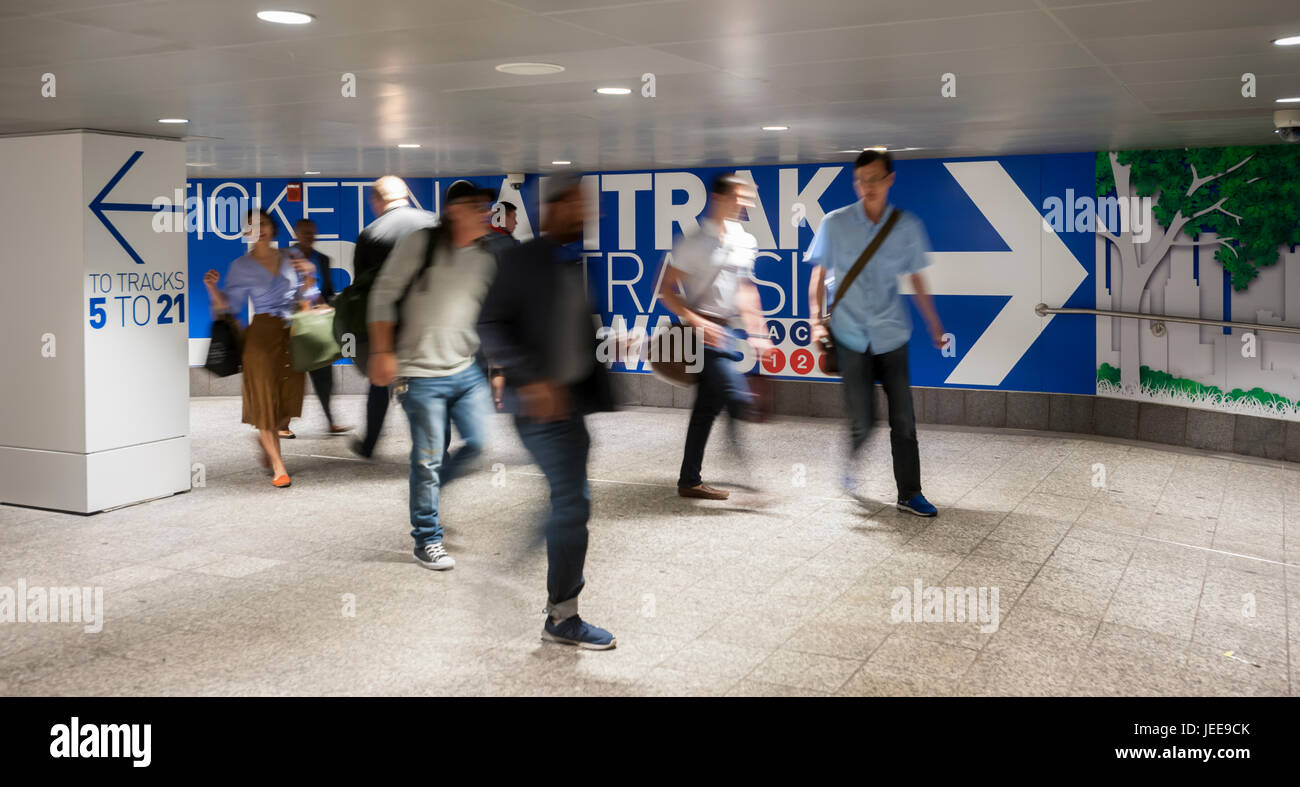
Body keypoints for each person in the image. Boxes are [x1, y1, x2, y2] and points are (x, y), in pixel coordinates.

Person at [478, 174, 617, 650]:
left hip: (572, 404)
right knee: (572, 501)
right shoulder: (522, 260)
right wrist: (529, 378)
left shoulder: (576, 261)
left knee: (569, 501)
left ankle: (543, 586)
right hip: (538, 406)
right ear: (548, 210)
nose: (583, 213)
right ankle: (561, 616)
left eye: (586, 206)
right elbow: (491, 323)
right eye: (573, 205)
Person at [367, 180, 498, 571]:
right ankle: (426, 538)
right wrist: (382, 351)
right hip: (418, 373)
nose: (487, 214)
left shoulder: (485, 258)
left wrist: (500, 368)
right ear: (456, 210)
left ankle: (429, 492)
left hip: (465, 368)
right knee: (427, 459)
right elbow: (382, 295)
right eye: (479, 207)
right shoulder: (421, 245)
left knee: (477, 442)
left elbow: (490, 315)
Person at [806, 149, 945, 517]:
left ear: (889, 180)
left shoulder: (905, 225)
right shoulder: (835, 223)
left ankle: (909, 493)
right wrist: (815, 320)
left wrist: (935, 325)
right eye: (860, 180)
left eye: (874, 179)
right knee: (863, 420)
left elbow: (917, 278)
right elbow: (818, 274)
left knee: (904, 419)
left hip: (891, 335)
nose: (866, 187)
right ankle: (850, 461)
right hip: (850, 337)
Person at [660, 173, 773, 500]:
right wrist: (695, 320)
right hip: (700, 334)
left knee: (706, 409)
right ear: (720, 198)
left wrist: (758, 332)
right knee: (736, 398)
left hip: (723, 331)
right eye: (742, 196)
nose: (747, 202)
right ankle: (751, 485)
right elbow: (666, 291)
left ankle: (688, 481)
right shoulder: (693, 242)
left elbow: (745, 289)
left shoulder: (744, 239)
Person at [203, 209, 321, 488]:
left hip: (292, 334)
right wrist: (211, 287)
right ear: (246, 233)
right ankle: (279, 467)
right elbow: (227, 308)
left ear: (272, 228)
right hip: (261, 337)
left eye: (263, 223)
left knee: (288, 403)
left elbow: (309, 297)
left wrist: (310, 278)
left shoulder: (291, 257)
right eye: (252, 225)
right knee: (265, 402)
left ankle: (265, 436)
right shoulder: (241, 266)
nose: (258, 229)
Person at [348, 176, 437, 459]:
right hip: (430, 322)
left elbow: (362, 288)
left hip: (389, 324)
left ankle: (370, 444)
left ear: (376, 201)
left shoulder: (370, 234)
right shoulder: (434, 223)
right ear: (406, 195)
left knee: (380, 381)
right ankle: (434, 447)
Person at [291, 218, 350, 436]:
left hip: (316, 327)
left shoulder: (323, 260)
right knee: (291, 380)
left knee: (324, 375)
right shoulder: (286, 258)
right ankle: (282, 424)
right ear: (296, 234)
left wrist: (329, 308)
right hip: (293, 327)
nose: (309, 237)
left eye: (312, 233)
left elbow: (328, 292)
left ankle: (331, 421)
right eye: (305, 233)